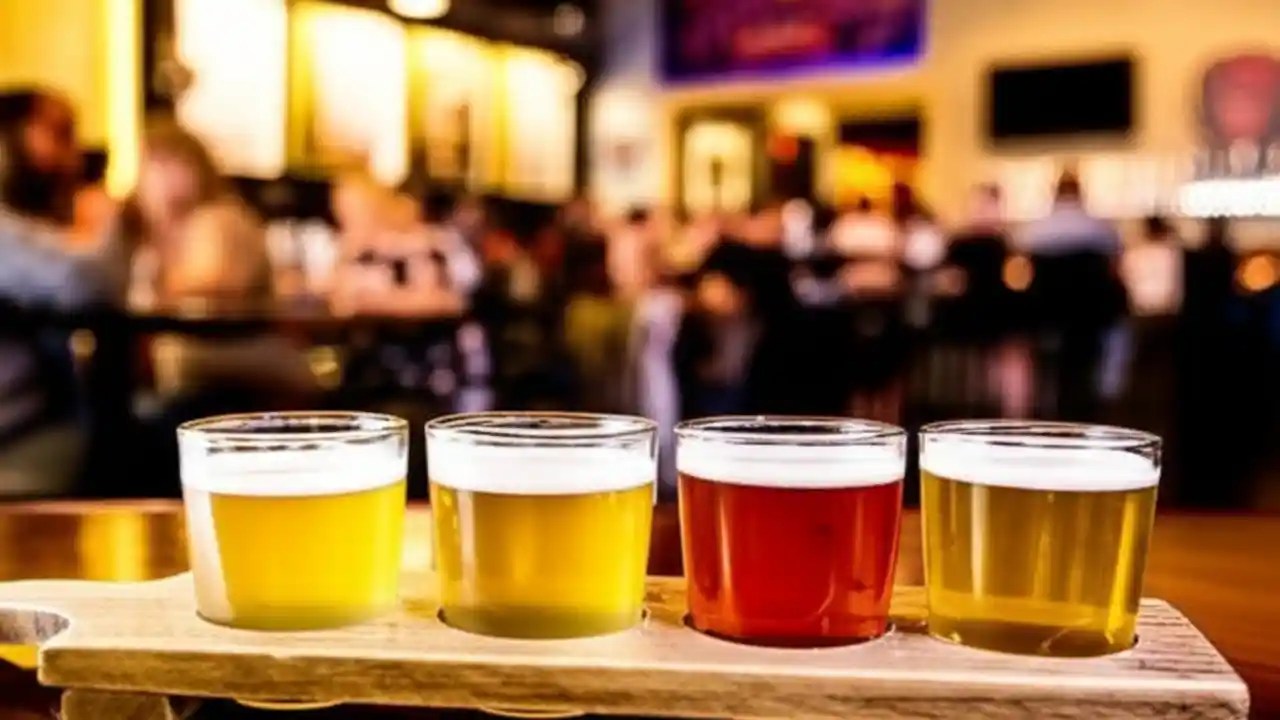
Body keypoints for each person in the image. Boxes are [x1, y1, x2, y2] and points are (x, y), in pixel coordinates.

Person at [0, 89, 126, 495]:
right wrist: (106, 221)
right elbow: (89, 284)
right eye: (61, 134)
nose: (74, 156)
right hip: (18, 433)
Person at [1019, 172, 1128, 420]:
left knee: (1049, 369)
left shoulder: (1036, 230)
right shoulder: (1102, 229)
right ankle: (1087, 414)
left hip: (1046, 317)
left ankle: (1049, 416)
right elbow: (1115, 270)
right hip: (1090, 317)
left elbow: (1022, 271)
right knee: (1085, 369)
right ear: (1081, 192)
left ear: (1054, 192)